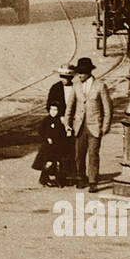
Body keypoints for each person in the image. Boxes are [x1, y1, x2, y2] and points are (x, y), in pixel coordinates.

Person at [69, 57, 112, 192]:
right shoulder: (76, 86)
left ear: (88, 72)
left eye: (82, 73)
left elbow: (108, 108)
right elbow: (70, 107)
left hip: (94, 127)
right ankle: (81, 178)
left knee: (93, 154)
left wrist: (105, 126)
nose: (79, 75)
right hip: (79, 126)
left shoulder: (100, 86)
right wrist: (67, 123)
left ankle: (93, 181)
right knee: (79, 154)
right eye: (79, 73)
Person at [34, 101, 71, 187]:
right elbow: (41, 131)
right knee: (49, 162)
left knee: (58, 163)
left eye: (55, 110)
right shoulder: (47, 120)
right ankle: (43, 178)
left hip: (58, 146)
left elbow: (63, 132)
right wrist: (47, 138)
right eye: (51, 109)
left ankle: (59, 179)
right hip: (48, 146)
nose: (53, 112)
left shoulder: (60, 120)